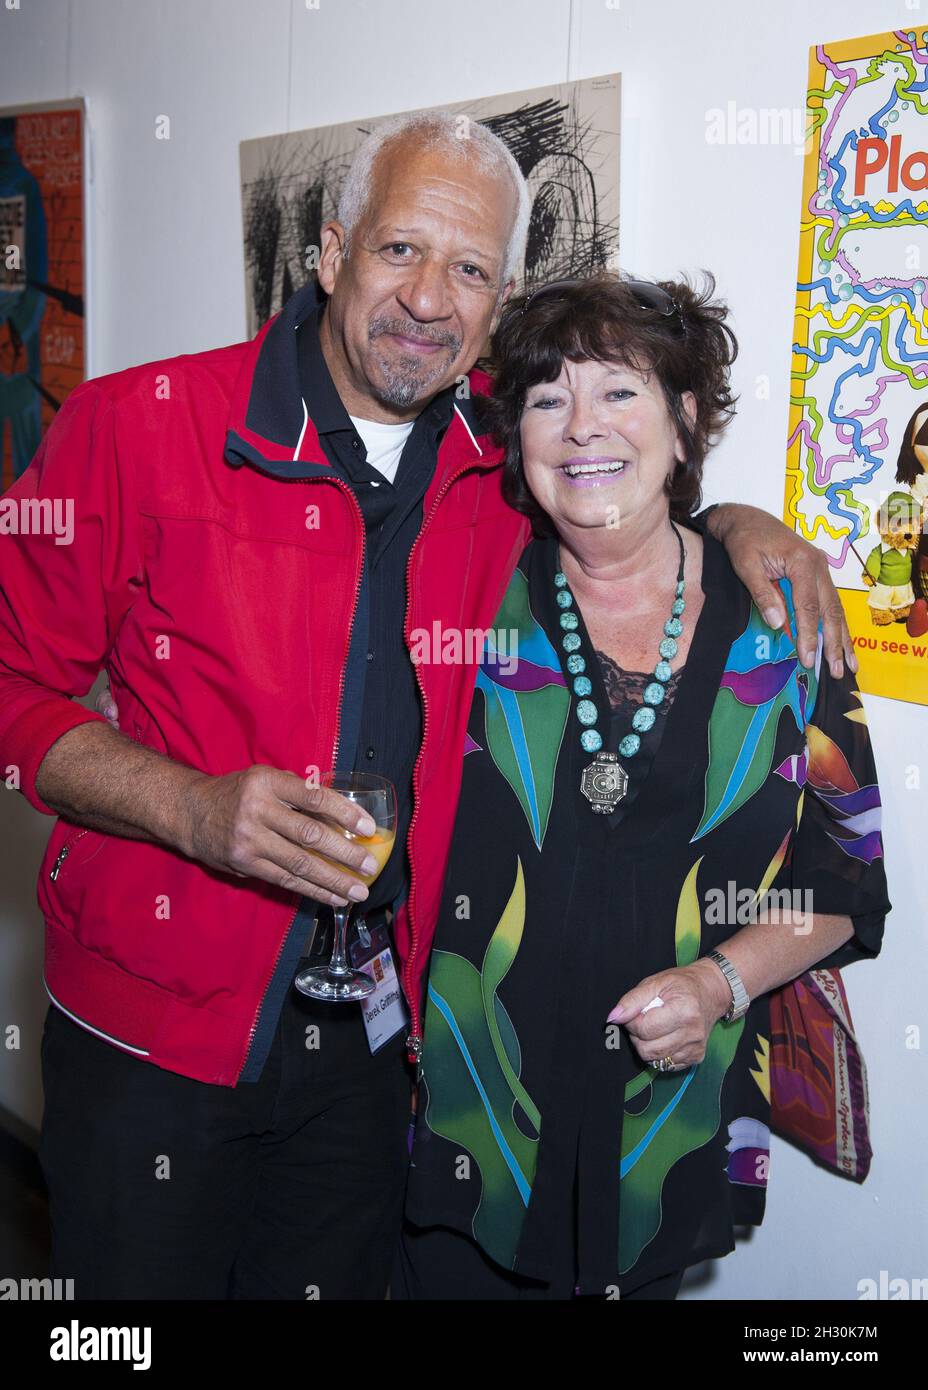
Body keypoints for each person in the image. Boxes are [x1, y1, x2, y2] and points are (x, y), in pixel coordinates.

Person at [0, 111, 855, 1300]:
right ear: (331, 248)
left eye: (468, 270)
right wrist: (188, 808)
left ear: (498, 298)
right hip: (157, 1038)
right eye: (400, 250)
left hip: (383, 1060)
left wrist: (740, 527)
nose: (427, 298)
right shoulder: (139, 431)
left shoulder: (497, 461)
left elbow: (618, 472)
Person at [392, 272, 891, 1301]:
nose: (580, 429)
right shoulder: (468, 592)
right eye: (545, 398)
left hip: (665, 1133)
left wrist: (719, 984)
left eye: (618, 390)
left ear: (685, 417)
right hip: (465, 1122)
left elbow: (841, 881)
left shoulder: (782, 627)